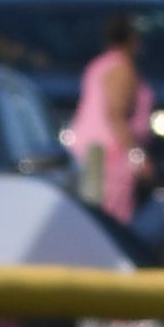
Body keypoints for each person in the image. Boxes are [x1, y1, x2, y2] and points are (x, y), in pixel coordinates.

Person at [64, 13, 148, 235]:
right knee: (112, 222)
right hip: (108, 154)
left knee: (91, 218)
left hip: (87, 150)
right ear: (132, 39)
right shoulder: (122, 69)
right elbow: (115, 115)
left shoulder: (99, 65)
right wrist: (137, 156)